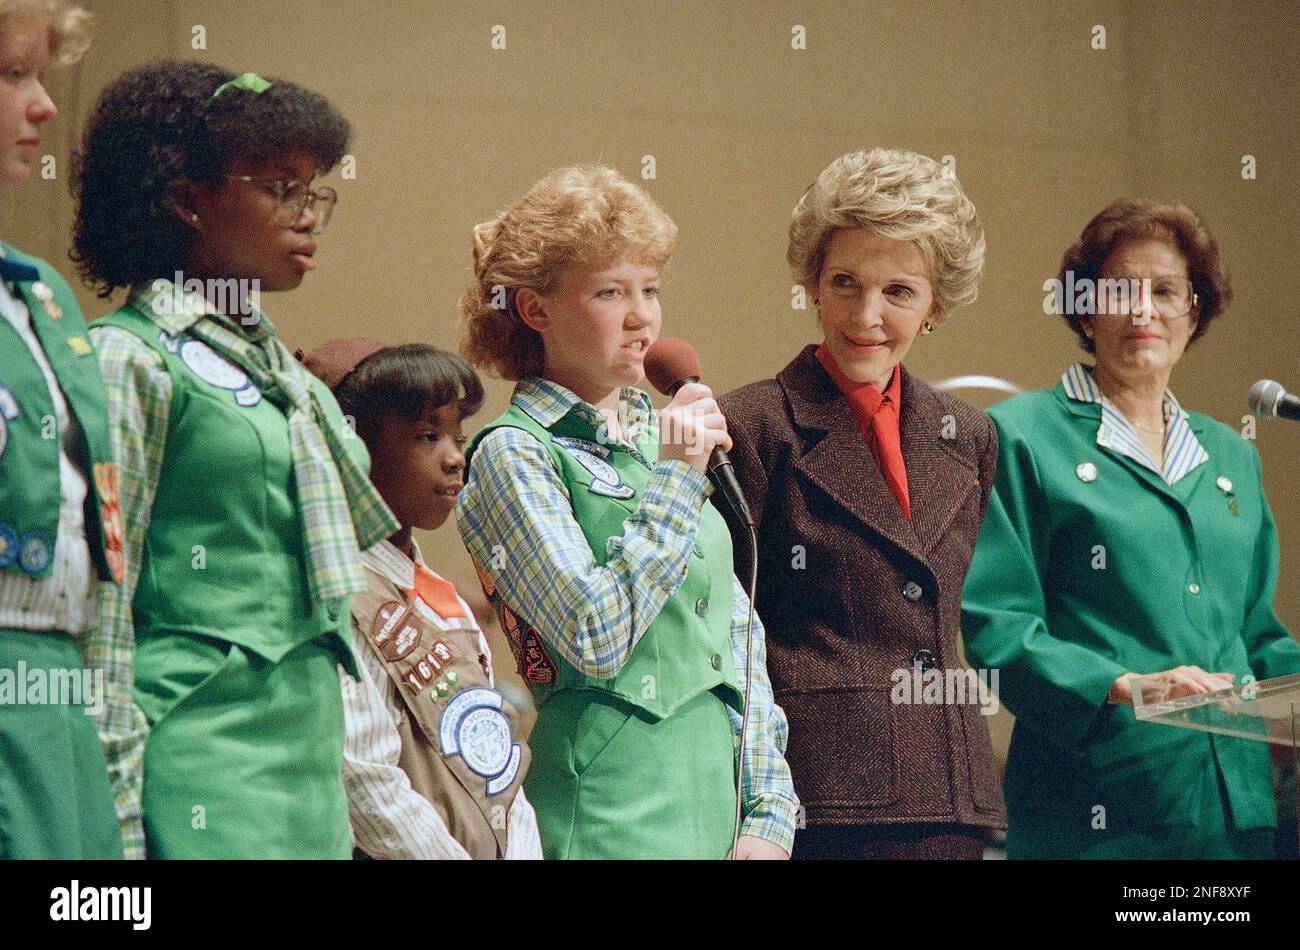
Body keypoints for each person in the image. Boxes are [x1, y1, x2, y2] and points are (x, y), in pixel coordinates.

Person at [75, 60, 397, 858]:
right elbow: (100, 619)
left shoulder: (288, 376)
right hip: (196, 766)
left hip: (310, 770)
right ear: (188, 196)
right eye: (279, 186)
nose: (308, 212)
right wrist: (114, 832)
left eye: (313, 188)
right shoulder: (129, 359)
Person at [456, 164, 798, 859]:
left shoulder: (660, 439)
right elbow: (594, 634)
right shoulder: (514, 454)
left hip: (719, 809)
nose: (643, 316)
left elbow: (738, 640)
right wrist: (676, 480)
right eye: (611, 292)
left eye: (651, 290)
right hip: (609, 813)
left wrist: (769, 813)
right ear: (535, 310)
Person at [961, 198, 1300, 859]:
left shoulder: (1232, 455)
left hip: (1237, 816)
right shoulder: (1024, 434)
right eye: (1120, 290)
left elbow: (1259, 636)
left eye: (1166, 291)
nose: (1143, 310)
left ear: (1194, 311)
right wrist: (1119, 685)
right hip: (1100, 813)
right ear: (1085, 308)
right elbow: (999, 626)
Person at [718, 146, 1004, 859]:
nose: (866, 315)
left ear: (935, 306)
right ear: (813, 283)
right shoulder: (752, 426)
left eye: (899, 291)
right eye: (845, 281)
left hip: (952, 794)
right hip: (819, 795)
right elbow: (725, 630)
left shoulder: (970, 435)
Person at [301, 338, 543, 859]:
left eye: (458, 434)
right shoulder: (342, 592)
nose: (456, 457)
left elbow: (501, 769)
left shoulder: (443, 598)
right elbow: (364, 777)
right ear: (347, 448)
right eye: (428, 435)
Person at [0, 0, 122, 860]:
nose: (45, 105)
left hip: (61, 679)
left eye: (41, 75)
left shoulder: (39, 292)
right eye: (13, 76)